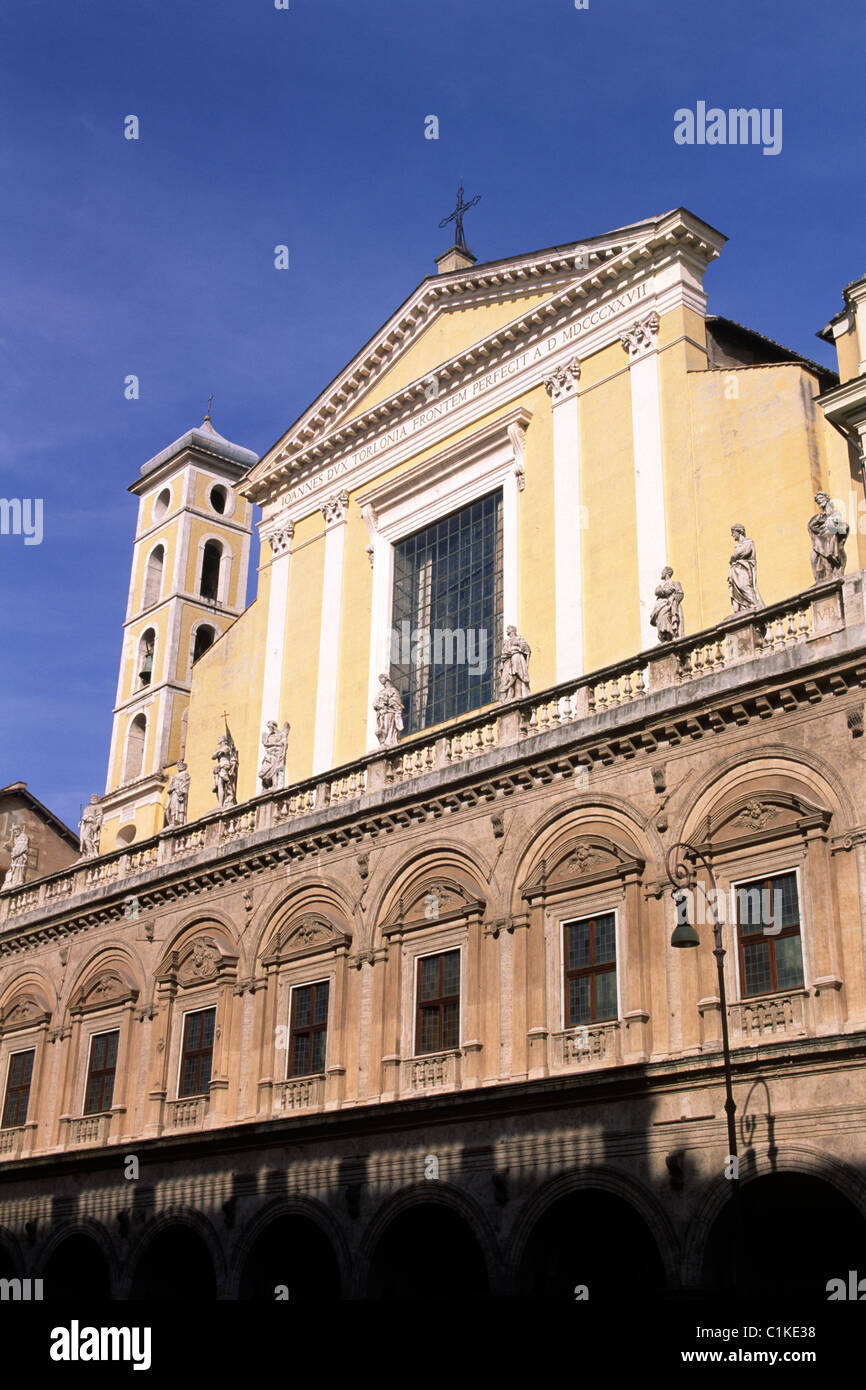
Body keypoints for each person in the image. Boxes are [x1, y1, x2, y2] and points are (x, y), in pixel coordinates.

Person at [808, 491, 849, 582]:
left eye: (821, 498)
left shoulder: (834, 512)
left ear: (827, 498)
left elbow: (843, 527)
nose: (819, 501)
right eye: (817, 500)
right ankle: (824, 576)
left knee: (826, 548)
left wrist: (833, 525)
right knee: (814, 556)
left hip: (831, 538)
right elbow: (812, 527)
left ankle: (831, 572)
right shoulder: (819, 516)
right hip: (821, 539)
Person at [728, 525, 763, 612]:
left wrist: (734, 555)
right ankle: (743, 608)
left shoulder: (748, 542)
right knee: (737, 592)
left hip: (744, 569)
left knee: (745, 587)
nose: (732, 535)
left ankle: (756, 607)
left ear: (739, 531)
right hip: (736, 571)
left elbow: (743, 552)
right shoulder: (739, 545)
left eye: (733, 532)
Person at [650, 566, 684, 642]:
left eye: (663, 571)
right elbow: (656, 591)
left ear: (667, 573)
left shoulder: (675, 582)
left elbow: (680, 594)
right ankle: (664, 638)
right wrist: (666, 591)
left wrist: (672, 598)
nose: (661, 573)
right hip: (660, 605)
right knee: (660, 620)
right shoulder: (660, 585)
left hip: (669, 605)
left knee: (666, 618)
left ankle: (669, 636)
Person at [498, 626, 531, 702]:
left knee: (517, 675)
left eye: (508, 629)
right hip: (507, 662)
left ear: (513, 630)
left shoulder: (519, 639)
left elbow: (527, 649)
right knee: (505, 680)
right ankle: (507, 697)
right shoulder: (506, 642)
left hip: (516, 658)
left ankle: (518, 694)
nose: (506, 630)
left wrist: (518, 644)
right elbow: (504, 653)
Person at [374, 674, 404, 748]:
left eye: (382, 678)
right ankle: (383, 744)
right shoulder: (380, 692)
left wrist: (389, 701)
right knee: (381, 728)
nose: (380, 680)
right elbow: (375, 703)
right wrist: (378, 705)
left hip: (390, 712)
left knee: (388, 727)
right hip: (381, 713)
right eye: (379, 679)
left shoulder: (393, 690)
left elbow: (397, 701)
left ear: (387, 679)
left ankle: (389, 742)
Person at [259, 720, 290, 790]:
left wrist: (284, 753)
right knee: (266, 770)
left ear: (274, 726)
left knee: (277, 770)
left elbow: (285, 743)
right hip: (270, 755)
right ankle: (267, 785)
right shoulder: (269, 735)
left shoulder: (281, 734)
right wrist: (275, 744)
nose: (269, 728)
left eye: (270, 727)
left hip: (277, 755)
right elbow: (265, 744)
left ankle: (276, 785)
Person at [212, 733, 238, 808]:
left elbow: (222, 752)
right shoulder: (221, 749)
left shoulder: (226, 747)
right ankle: (221, 803)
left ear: (222, 740)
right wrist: (218, 751)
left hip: (225, 765)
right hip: (220, 766)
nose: (218, 741)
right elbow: (213, 757)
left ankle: (227, 799)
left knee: (223, 783)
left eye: (219, 739)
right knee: (220, 784)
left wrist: (218, 751)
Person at [164, 761, 191, 827]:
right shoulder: (174, 776)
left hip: (180, 793)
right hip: (174, 793)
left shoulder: (185, 774)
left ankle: (180, 821)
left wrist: (180, 791)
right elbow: (170, 787)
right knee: (172, 807)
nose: (179, 767)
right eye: (178, 765)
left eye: (181, 765)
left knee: (179, 806)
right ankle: (172, 822)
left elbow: (186, 784)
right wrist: (173, 788)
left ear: (184, 767)